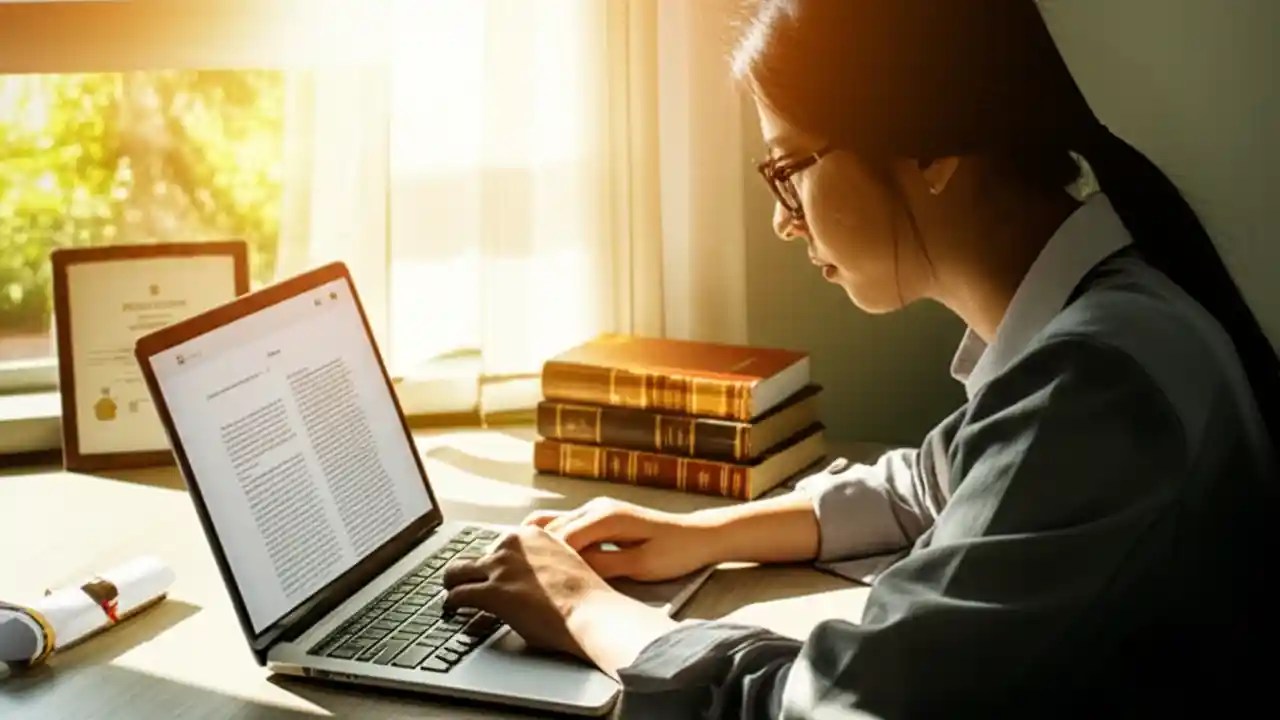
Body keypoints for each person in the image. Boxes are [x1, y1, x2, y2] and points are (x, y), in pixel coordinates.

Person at [442, 1, 1279, 717]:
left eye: (788, 169)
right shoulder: (1103, 322)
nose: (784, 220)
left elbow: (846, 702)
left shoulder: (1095, 385)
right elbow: (930, 483)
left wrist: (588, 610)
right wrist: (698, 535)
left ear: (931, 147)